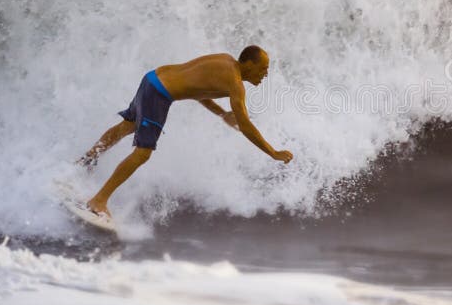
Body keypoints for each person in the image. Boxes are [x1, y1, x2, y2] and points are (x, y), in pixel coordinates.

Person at [77, 45, 293, 218]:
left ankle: (85, 162)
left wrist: (221, 114)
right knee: (143, 153)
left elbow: (196, 89)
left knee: (127, 126)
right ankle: (99, 200)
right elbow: (245, 126)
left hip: (152, 78)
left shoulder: (225, 61)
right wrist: (273, 152)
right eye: (263, 68)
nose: (265, 74)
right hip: (159, 94)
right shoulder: (235, 84)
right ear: (248, 63)